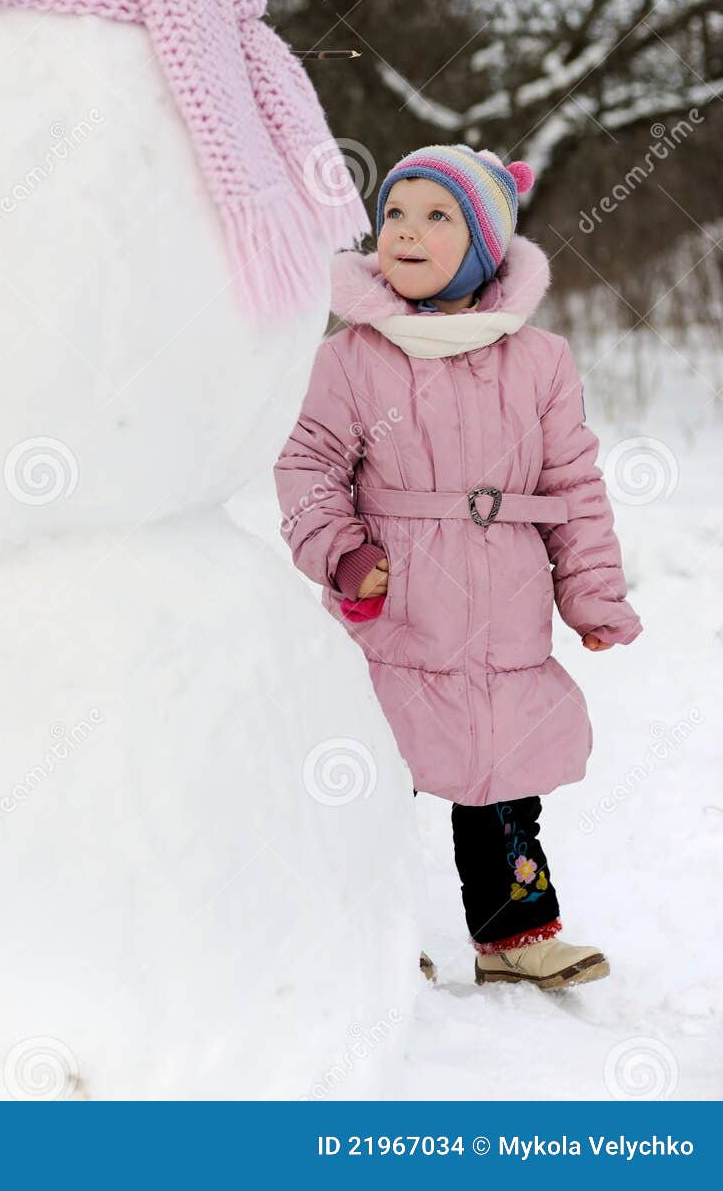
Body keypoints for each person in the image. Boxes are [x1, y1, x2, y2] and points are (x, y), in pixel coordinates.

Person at [273, 143, 642, 990]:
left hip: (504, 609)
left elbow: (572, 484)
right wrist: (342, 551)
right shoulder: (353, 357)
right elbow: (308, 466)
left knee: (503, 781)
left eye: (436, 216)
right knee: (376, 776)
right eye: (395, 212)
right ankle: (362, 933)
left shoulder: (540, 361)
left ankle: (512, 937)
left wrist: (589, 594)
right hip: (395, 608)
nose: (405, 231)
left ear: (482, 244)